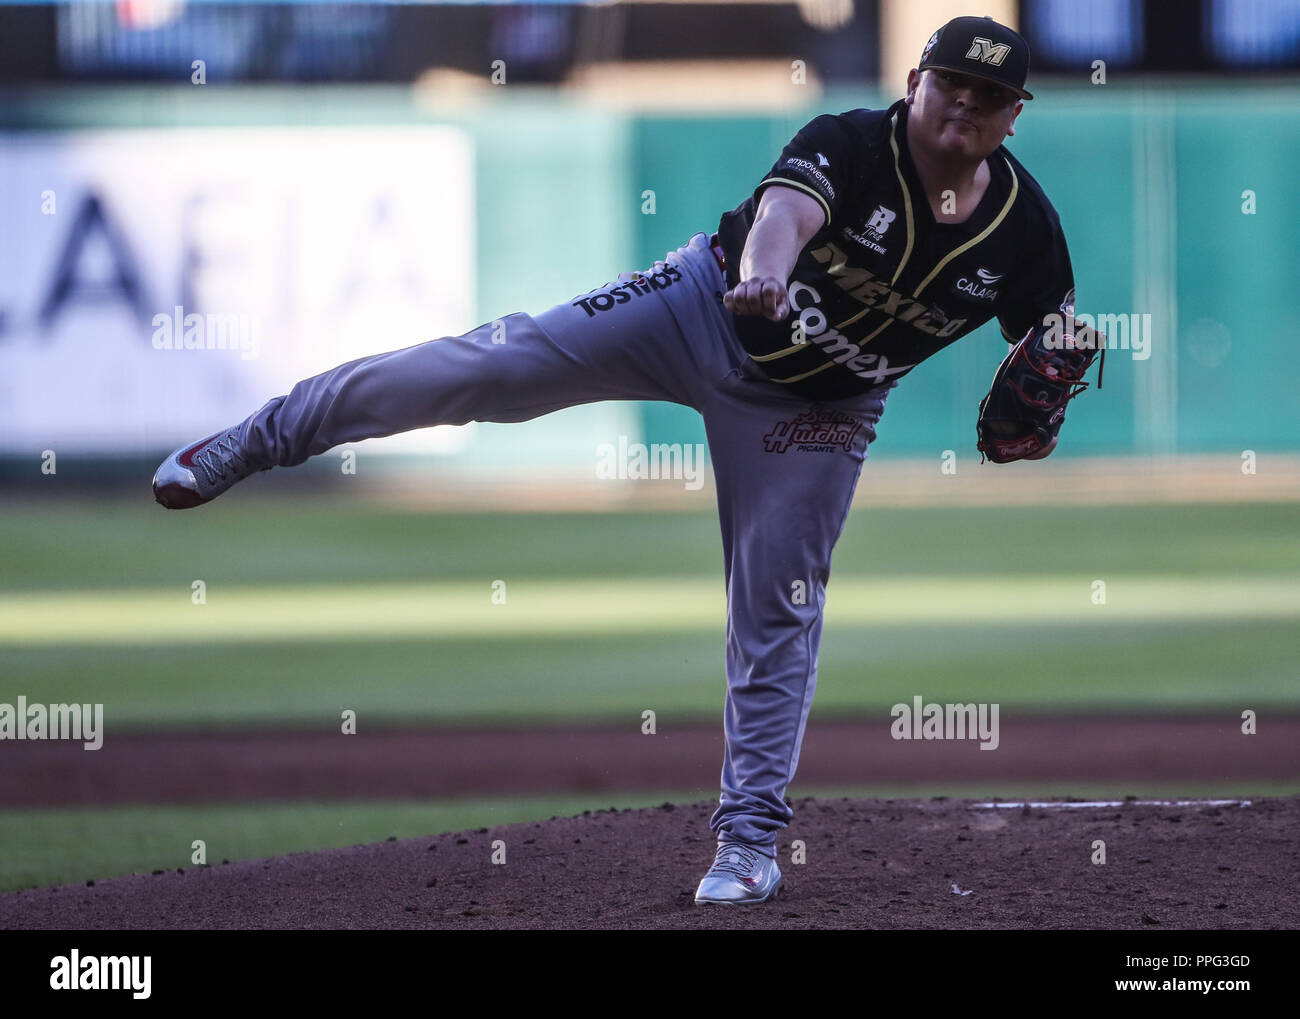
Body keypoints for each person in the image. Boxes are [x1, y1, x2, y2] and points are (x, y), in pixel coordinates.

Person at [153, 15, 1078, 906]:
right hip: (697, 307)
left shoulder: (1024, 228)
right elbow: (784, 217)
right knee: (494, 366)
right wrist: (763, 270)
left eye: (989, 93)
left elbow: (1055, 325)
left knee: (780, 604)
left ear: (1013, 115)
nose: (966, 102)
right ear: (914, 83)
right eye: (952, 80)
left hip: (822, 407)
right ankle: (261, 436)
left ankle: (751, 844)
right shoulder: (849, 141)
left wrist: (1053, 361)